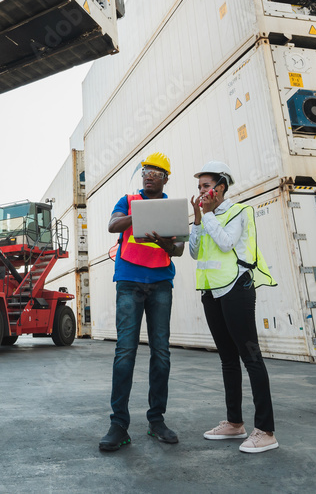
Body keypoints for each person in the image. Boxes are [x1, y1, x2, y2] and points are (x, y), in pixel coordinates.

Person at [188, 161, 279, 454]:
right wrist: (197, 219)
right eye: (199, 187)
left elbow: (227, 244)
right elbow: (193, 252)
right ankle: (234, 422)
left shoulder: (241, 212)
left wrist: (208, 215)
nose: (201, 191)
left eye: (206, 186)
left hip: (237, 289)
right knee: (227, 359)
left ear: (221, 187)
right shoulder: (204, 216)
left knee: (251, 357)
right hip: (212, 291)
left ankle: (266, 430)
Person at [99, 152, 184, 452]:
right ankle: (118, 425)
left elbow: (179, 250)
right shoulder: (127, 200)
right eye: (146, 170)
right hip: (129, 283)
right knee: (125, 351)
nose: (149, 175)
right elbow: (112, 226)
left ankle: (156, 421)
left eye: (156, 172)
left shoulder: (172, 209)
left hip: (161, 283)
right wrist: (141, 215)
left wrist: (164, 239)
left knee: (161, 353)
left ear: (165, 178)